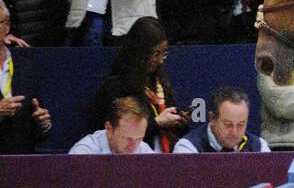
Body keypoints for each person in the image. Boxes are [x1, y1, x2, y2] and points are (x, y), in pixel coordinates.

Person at [93, 17, 189, 153]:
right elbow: (115, 133)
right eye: (156, 53)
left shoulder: (159, 83)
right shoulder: (115, 87)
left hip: (167, 157)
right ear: (140, 52)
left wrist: (179, 122)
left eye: (164, 53)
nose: (161, 60)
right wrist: (157, 123)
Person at [0, 0, 53, 153]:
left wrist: (42, 124)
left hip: (21, 163)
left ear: (7, 26)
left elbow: (38, 126)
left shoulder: (26, 67)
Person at [174, 85, 269, 153]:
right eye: (228, 124)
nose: (234, 132)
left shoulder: (260, 147)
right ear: (212, 118)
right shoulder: (188, 149)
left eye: (241, 125)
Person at [69, 95, 154, 155]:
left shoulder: (144, 151)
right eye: (127, 138)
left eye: (139, 139)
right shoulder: (84, 153)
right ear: (109, 128)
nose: (132, 146)